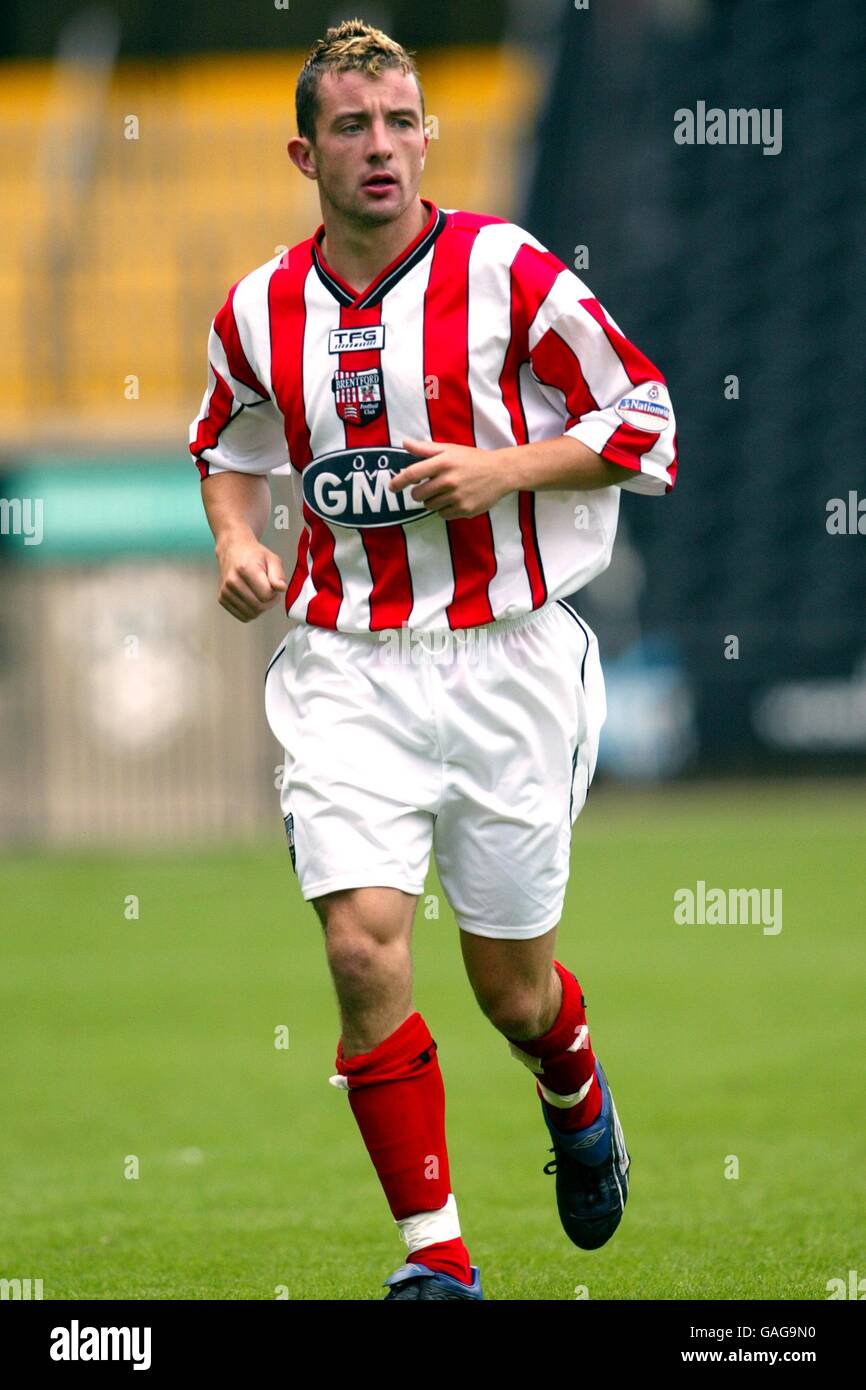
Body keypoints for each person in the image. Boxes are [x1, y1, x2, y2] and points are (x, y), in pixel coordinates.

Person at [189, 18, 678, 1302]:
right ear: (306, 151)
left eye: (400, 121)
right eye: (352, 126)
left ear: (428, 136)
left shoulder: (508, 271)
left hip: (507, 656)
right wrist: (238, 541)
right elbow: (228, 443)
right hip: (344, 661)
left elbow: (646, 414)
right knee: (360, 948)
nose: (381, 148)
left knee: (510, 989)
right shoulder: (254, 309)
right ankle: (436, 1261)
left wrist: (503, 469)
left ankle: (570, 1087)